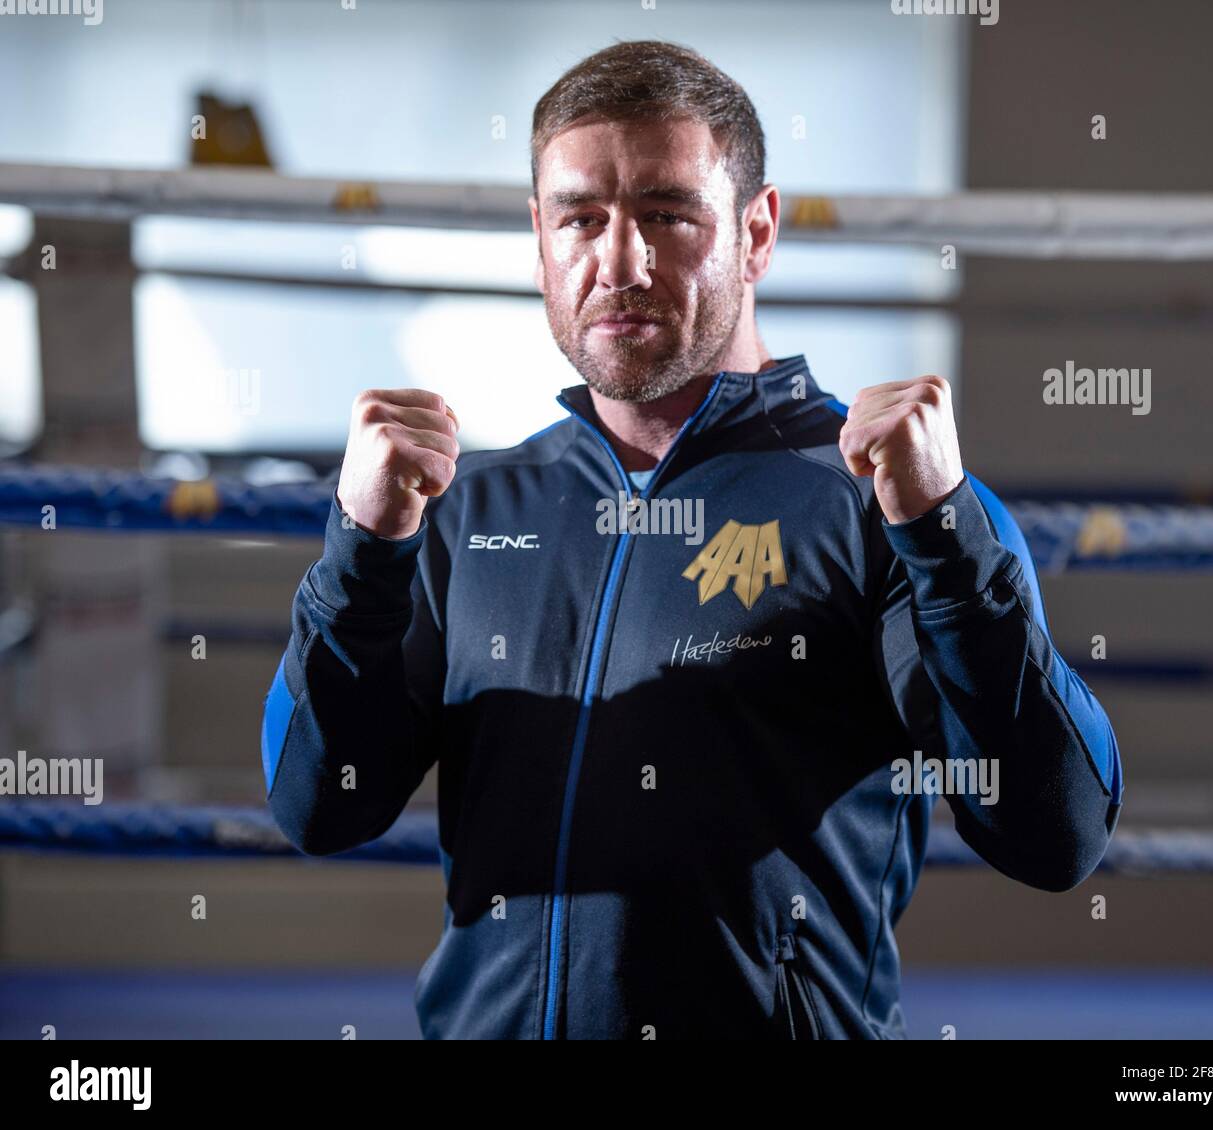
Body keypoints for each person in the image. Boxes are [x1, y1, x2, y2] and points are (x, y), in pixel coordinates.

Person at [261, 40, 1122, 1040]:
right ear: (538, 238)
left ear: (756, 233)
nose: (619, 263)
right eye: (580, 217)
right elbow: (322, 809)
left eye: (667, 215)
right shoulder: (472, 506)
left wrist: (945, 535)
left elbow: (1053, 833)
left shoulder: (872, 502)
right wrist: (363, 550)